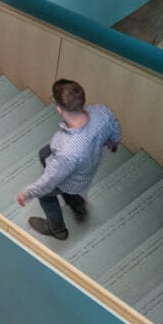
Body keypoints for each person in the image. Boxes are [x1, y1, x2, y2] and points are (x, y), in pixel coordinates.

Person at [17, 78, 122, 241]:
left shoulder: (66, 150)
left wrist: (27, 193)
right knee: (45, 154)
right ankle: (78, 207)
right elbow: (114, 128)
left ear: (59, 109)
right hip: (88, 165)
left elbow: (49, 182)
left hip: (72, 179)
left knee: (46, 195)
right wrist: (113, 142)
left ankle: (57, 229)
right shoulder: (102, 112)